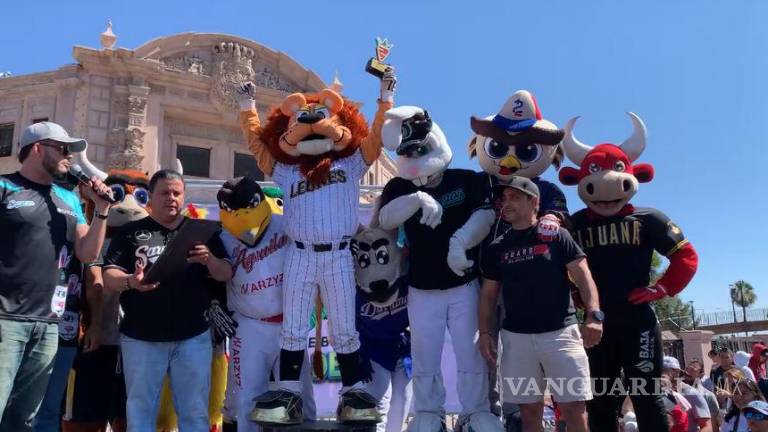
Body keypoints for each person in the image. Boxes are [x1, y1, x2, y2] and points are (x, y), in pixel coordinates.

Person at [0, 122, 111, 431]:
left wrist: (101, 209)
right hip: (5, 319)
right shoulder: (5, 187)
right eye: (63, 149)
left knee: (26, 417)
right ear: (37, 149)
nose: (69, 157)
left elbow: (87, 253)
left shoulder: (69, 199)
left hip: (50, 324)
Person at [102, 169, 231, 432]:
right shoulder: (130, 231)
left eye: (176, 193)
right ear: (150, 196)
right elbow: (109, 277)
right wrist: (131, 281)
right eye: (164, 193)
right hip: (141, 337)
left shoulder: (202, 232)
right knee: (140, 414)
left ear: (183, 196)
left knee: (194, 413)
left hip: (193, 337)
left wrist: (209, 259)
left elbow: (226, 273)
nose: (171, 198)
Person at [478, 176, 603, 432]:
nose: (506, 203)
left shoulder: (558, 236)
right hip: (516, 338)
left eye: (514, 197)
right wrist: (485, 332)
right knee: (528, 412)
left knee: (574, 408)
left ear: (534, 202)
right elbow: (488, 295)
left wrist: (594, 316)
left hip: (561, 335)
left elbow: (583, 276)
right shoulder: (497, 247)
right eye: (504, 198)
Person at [215, 177, 316, 431]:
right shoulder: (221, 236)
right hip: (249, 325)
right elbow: (210, 277)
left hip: (289, 325)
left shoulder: (287, 224)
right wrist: (215, 305)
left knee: (301, 399)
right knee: (247, 398)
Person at [35, 177, 105, 432]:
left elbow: (94, 277)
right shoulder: (26, 215)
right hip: (21, 320)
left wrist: (95, 324)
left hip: (65, 327)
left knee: (51, 407)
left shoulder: (84, 224)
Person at [661, 356, 713, 432]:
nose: (663, 375)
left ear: (677, 372)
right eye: (661, 371)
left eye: (667, 371)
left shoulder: (691, 393)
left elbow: (707, 426)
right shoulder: (653, 394)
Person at [684, 358, 723, 431]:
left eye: (692, 370)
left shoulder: (708, 396)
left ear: (700, 374)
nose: (688, 372)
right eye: (687, 369)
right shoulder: (680, 393)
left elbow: (714, 425)